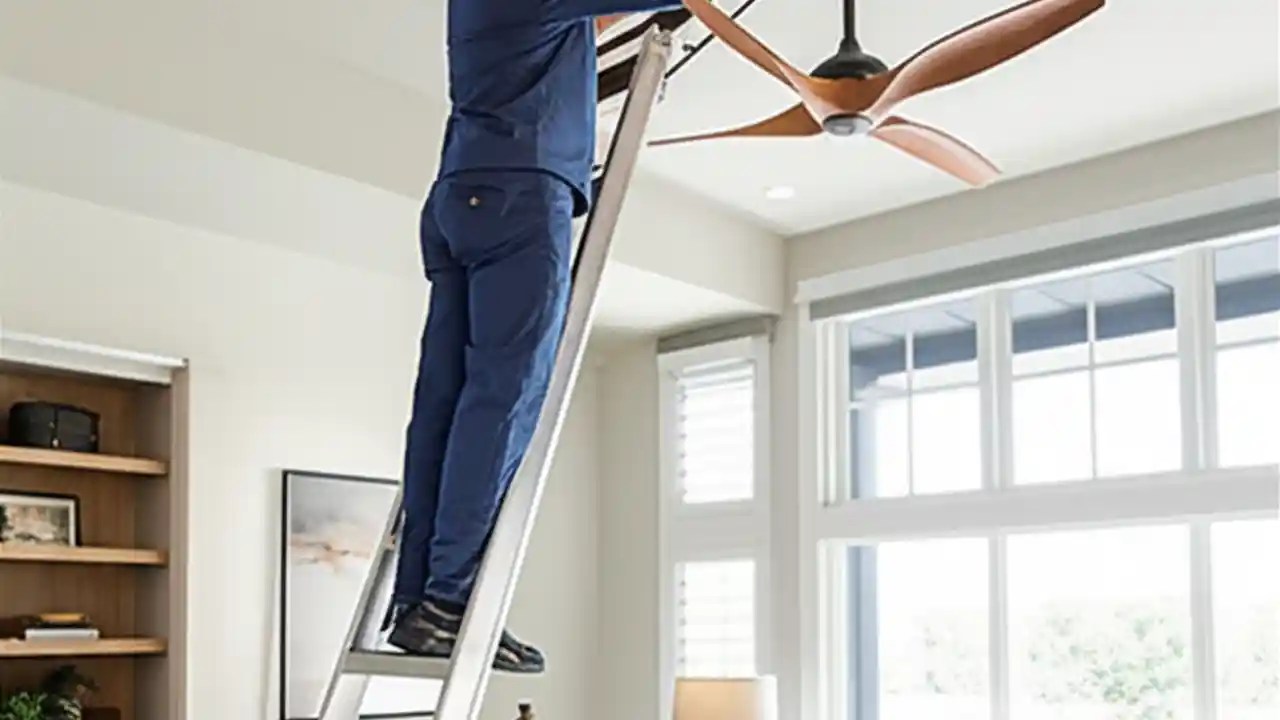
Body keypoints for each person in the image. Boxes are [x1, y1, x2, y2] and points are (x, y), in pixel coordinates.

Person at [386, 0, 681, 674]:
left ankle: (420, 603)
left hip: (464, 192)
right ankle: (449, 598)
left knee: (446, 404)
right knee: (503, 399)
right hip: (520, 193)